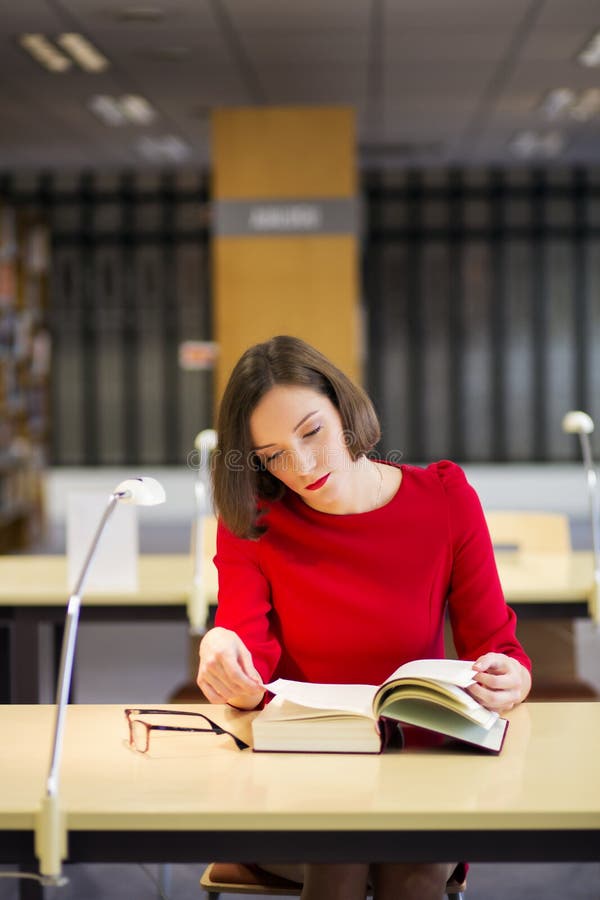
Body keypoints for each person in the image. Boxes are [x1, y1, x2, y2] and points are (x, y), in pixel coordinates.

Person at [197, 334, 532, 900]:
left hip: (424, 761)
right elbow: (248, 664)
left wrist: (511, 677)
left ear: (344, 409)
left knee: (410, 869)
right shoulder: (253, 520)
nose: (301, 466)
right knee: (339, 856)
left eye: (312, 432)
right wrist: (225, 655)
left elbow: (495, 647)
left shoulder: (445, 498)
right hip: (307, 760)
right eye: (273, 455)